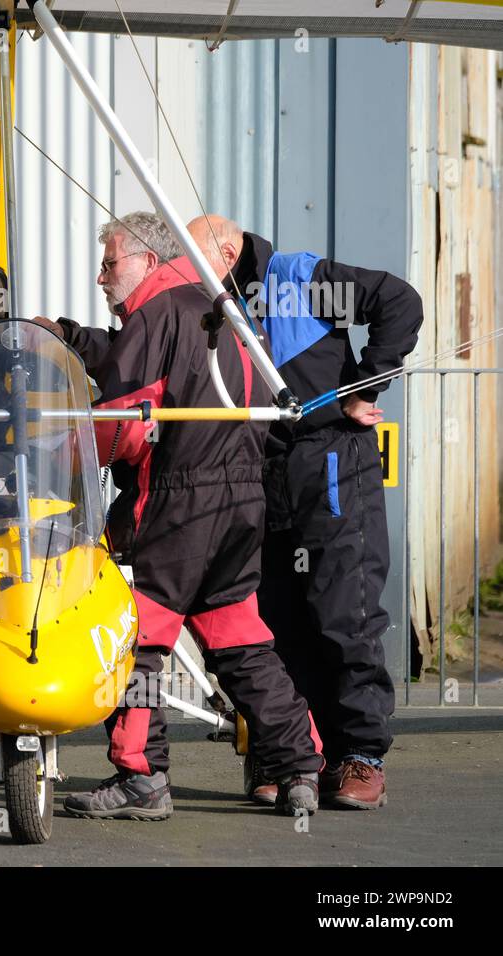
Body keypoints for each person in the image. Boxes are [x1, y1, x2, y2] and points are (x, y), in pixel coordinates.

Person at [34, 211, 323, 819]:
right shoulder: (230, 313)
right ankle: (299, 765)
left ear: (147, 261)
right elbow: (270, 418)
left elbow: (123, 429)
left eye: (111, 263)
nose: (101, 276)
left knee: (133, 643)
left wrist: (54, 464)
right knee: (241, 641)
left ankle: (142, 775)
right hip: (241, 502)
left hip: (179, 505)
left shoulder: (156, 316)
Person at [187, 215, 422, 810]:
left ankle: (361, 756)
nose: (187, 271)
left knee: (344, 613)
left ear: (227, 249)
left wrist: (368, 383)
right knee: (275, 620)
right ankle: (293, 755)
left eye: (195, 257)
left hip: (334, 463)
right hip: (262, 471)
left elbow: (399, 300)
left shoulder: (299, 277)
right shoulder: (208, 305)